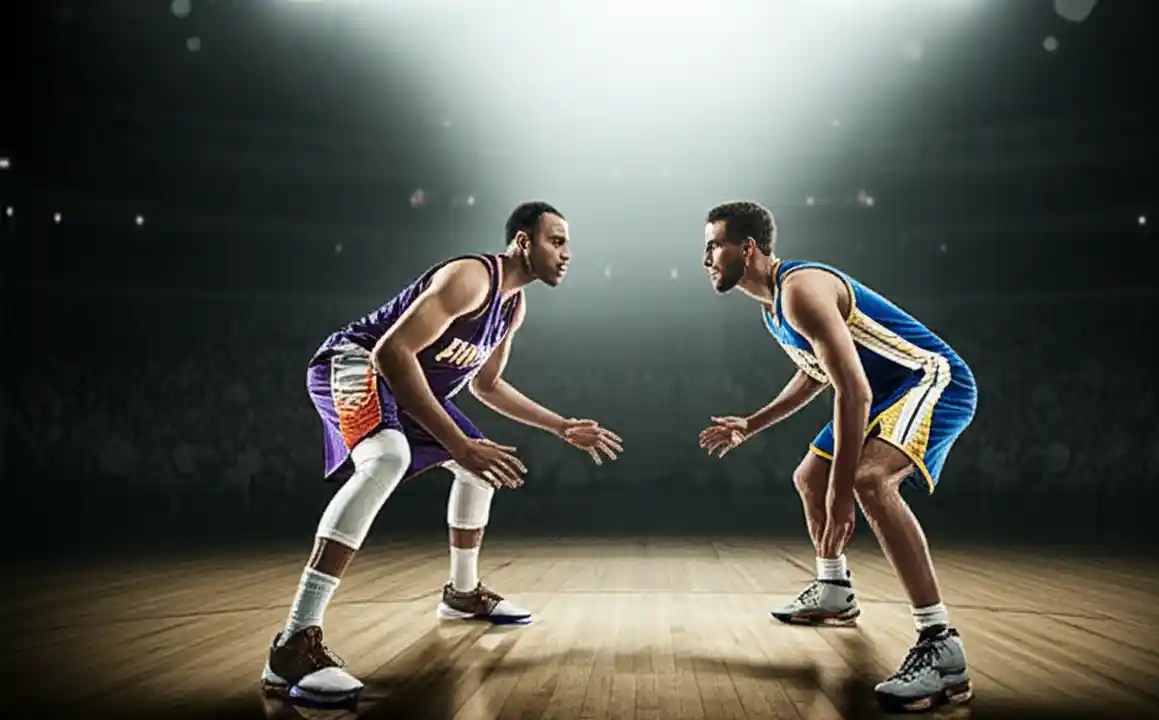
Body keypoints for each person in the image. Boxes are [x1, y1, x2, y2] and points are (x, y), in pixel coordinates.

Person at [261, 201, 623, 706]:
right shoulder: (471, 279)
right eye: (556, 241)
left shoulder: (513, 307)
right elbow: (389, 353)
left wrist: (560, 426)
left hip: (409, 388)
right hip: (354, 361)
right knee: (389, 457)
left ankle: (461, 593)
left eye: (568, 245)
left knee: (482, 471)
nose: (566, 254)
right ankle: (293, 644)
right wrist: (457, 443)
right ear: (524, 241)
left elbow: (489, 386)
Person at [696, 201, 977, 713]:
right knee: (809, 476)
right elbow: (816, 373)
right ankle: (834, 590)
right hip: (881, 390)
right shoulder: (773, 308)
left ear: (749, 248)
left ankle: (942, 646)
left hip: (928, 379)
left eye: (715, 244)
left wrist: (842, 492)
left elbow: (855, 393)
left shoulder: (800, 289)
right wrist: (750, 424)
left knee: (869, 483)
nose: (706, 256)